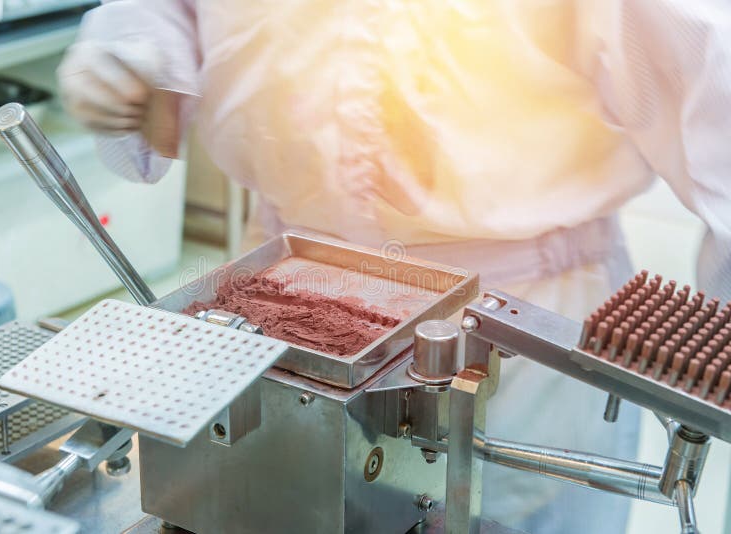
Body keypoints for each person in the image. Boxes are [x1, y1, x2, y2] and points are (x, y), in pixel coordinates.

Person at [57, 1, 731, 532]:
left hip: (518, 332)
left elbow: (714, 93)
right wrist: (137, 42)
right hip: (279, 298)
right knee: (270, 502)